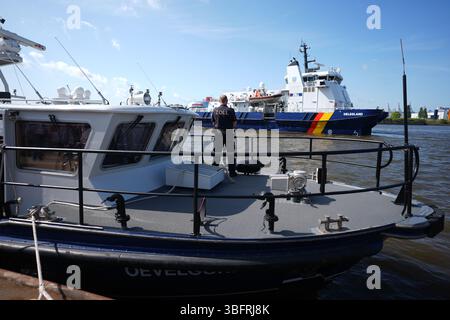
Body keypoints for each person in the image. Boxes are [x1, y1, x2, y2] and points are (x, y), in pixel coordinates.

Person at [212, 95, 237, 177]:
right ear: (227, 100)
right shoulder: (230, 110)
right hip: (229, 133)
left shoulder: (215, 110)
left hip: (218, 133)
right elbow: (234, 123)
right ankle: (232, 172)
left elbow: (213, 121)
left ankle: (214, 171)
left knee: (217, 153)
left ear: (219, 101)